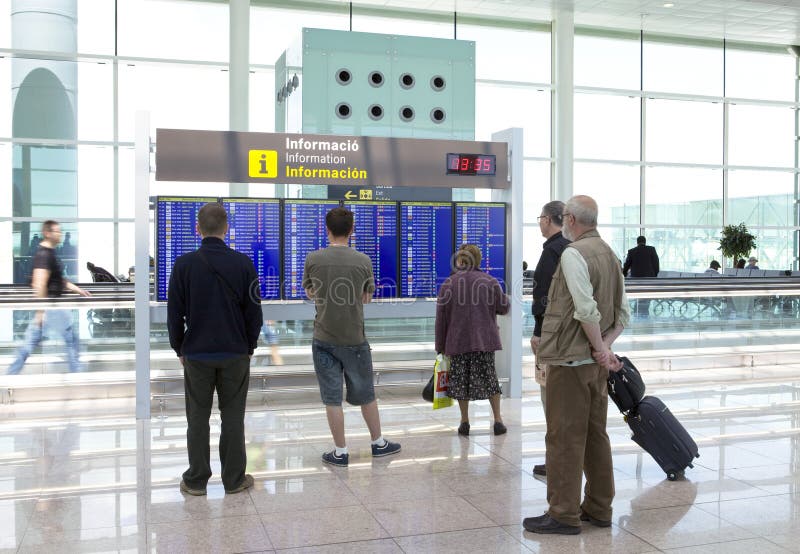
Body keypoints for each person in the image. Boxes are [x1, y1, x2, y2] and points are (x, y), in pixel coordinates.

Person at [523, 195, 629, 535]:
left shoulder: (573, 254)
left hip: (570, 362)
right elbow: (623, 313)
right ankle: (599, 508)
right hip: (595, 366)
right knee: (596, 435)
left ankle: (563, 513)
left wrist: (599, 349)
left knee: (564, 437)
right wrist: (605, 351)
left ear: (569, 219)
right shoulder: (610, 254)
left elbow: (585, 310)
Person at [167, 202, 263, 496]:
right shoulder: (244, 264)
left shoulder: (183, 265)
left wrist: (179, 348)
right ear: (227, 229)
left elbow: (174, 314)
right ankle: (234, 479)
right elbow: (254, 314)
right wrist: (248, 346)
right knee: (233, 417)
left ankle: (196, 480)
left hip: (196, 354)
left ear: (198, 229)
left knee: (197, 417)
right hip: (235, 353)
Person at [303, 207, 401, 467]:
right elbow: (366, 297)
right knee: (366, 393)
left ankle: (340, 450)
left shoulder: (313, 258)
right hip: (354, 338)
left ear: (327, 229)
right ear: (352, 230)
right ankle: (378, 443)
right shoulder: (363, 261)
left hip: (323, 337)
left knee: (331, 397)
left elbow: (311, 293)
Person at [436, 244, 510, 437]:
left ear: (460, 260)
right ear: (479, 261)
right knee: (490, 380)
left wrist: (440, 347)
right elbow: (504, 307)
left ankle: (464, 422)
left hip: (457, 342)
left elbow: (441, 320)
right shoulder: (489, 281)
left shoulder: (448, 284)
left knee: (461, 383)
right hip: (484, 341)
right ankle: (498, 420)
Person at [7, 220, 91, 375]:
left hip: (51, 308)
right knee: (72, 342)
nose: (59, 234)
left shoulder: (49, 253)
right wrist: (41, 312)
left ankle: (8, 376)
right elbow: (39, 283)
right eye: (57, 231)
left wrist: (77, 289)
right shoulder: (44, 254)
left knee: (28, 345)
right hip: (52, 308)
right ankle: (78, 377)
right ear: (47, 233)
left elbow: (58, 279)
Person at [529, 200, 570, 477]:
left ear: (548, 220)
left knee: (551, 399)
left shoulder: (552, 252)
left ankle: (555, 459)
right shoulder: (574, 249)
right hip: (571, 336)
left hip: (552, 338)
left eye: (540, 217)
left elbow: (544, 296)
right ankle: (563, 458)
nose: (539, 222)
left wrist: (538, 331)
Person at [622, 236, 659, 319]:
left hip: (636, 278)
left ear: (637, 242)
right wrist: (654, 275)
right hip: (649, 278)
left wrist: (624, 275)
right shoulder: (652, 250)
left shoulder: (632, 251)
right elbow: (656, 263)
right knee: (647, 295)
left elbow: (627, 265)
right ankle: (645, 312)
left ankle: (637, 312)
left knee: (637, 295)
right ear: (645, 242)